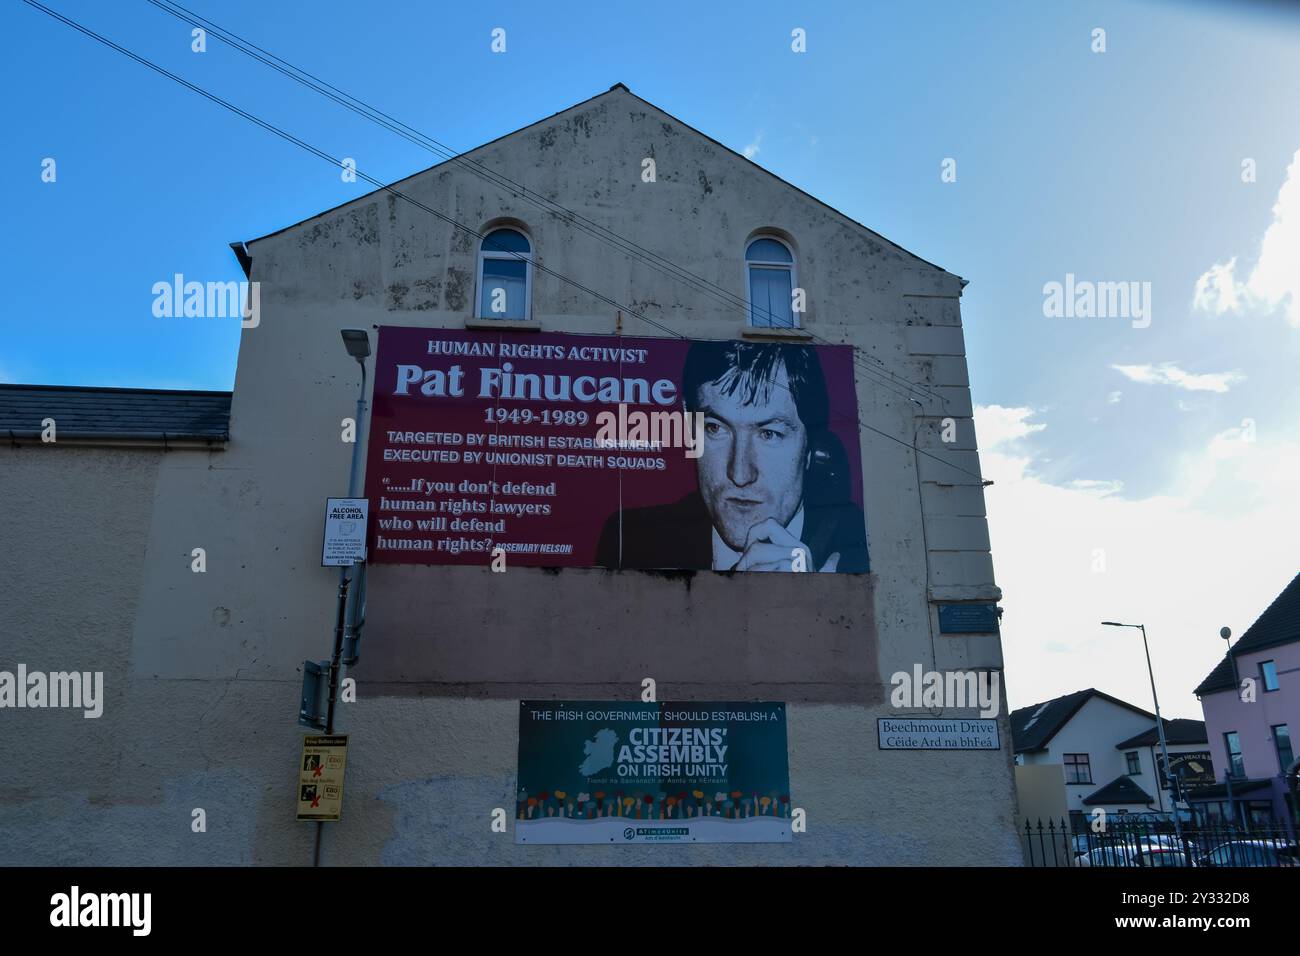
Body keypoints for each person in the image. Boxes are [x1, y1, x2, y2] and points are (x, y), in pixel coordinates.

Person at [596, 340, 868, 572]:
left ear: (811, 448)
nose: (739, 474)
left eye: (769, 434)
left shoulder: (867, 548)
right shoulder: (631, 543)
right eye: (715, 429)